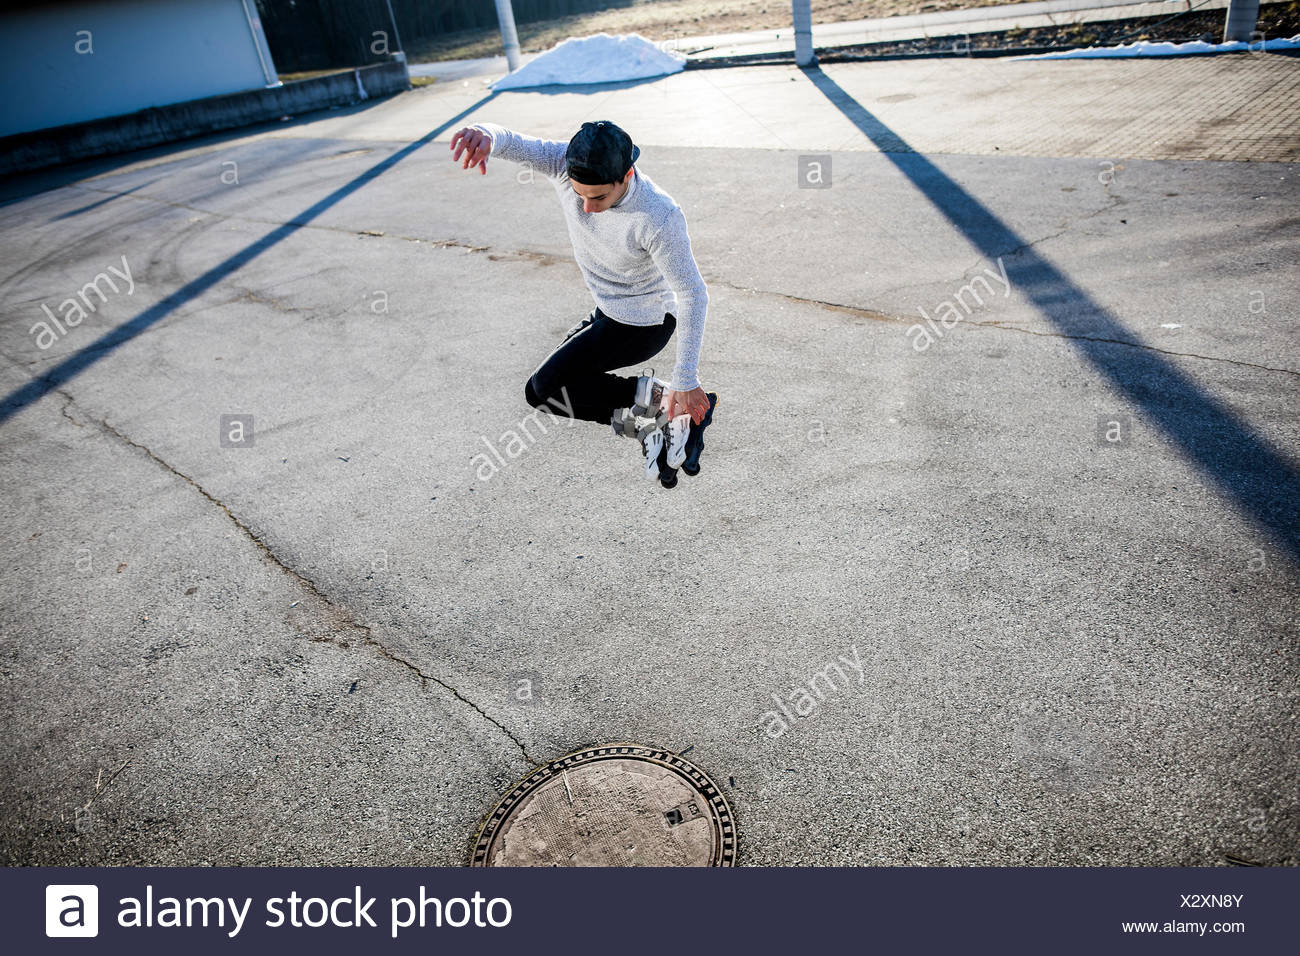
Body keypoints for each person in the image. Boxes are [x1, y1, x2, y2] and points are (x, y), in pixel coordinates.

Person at [448, 119, 716, 480]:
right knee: (541, 392)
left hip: (643, 323)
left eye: (599, 197)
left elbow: (693, 294)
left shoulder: (659, 215)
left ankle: (668, 404)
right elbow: (511, 140)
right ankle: (655, 419)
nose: (587, 209)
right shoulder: (561, 162)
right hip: (607, 312)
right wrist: (485, 134)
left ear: (627, 174)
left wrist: (687, 378)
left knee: (549, 387)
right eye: (579, 195)